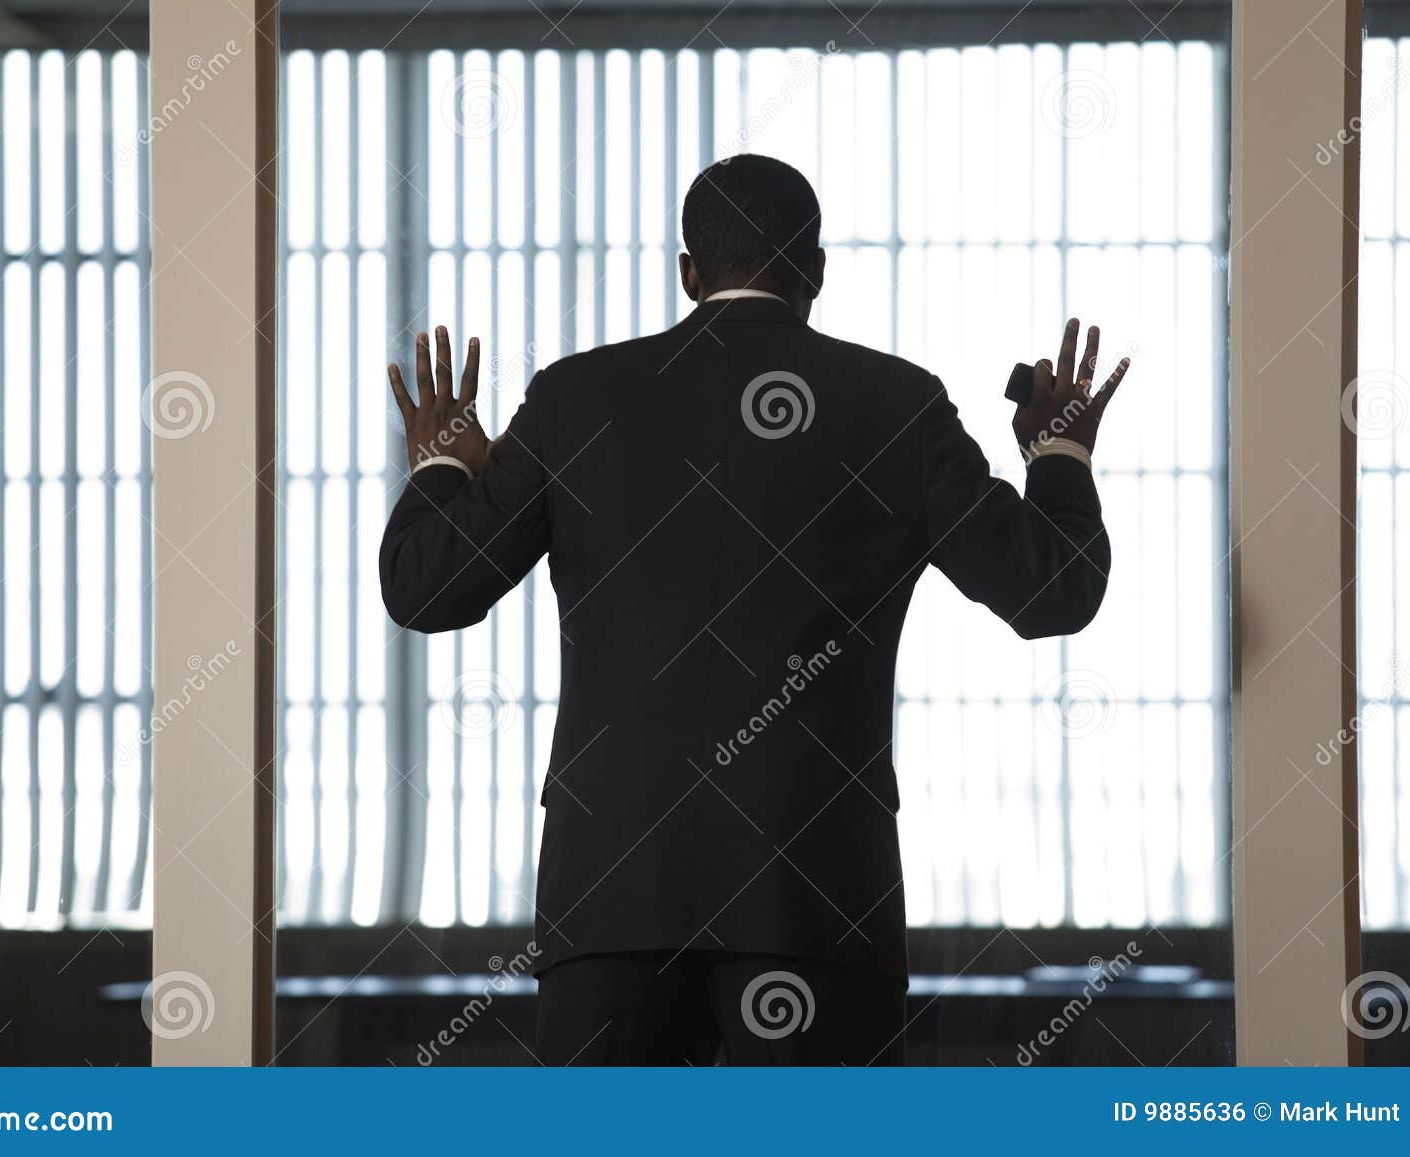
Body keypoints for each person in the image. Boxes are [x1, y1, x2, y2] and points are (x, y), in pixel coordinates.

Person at [379, 153, 1129, 1065]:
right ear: (816, 270)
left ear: (688, 271)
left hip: (613, 901)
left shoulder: (575, 399)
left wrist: (446, 466)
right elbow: (1053, 590)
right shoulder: (896, 405)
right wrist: (1058, 453)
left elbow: (425, 588)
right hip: (814, 899)